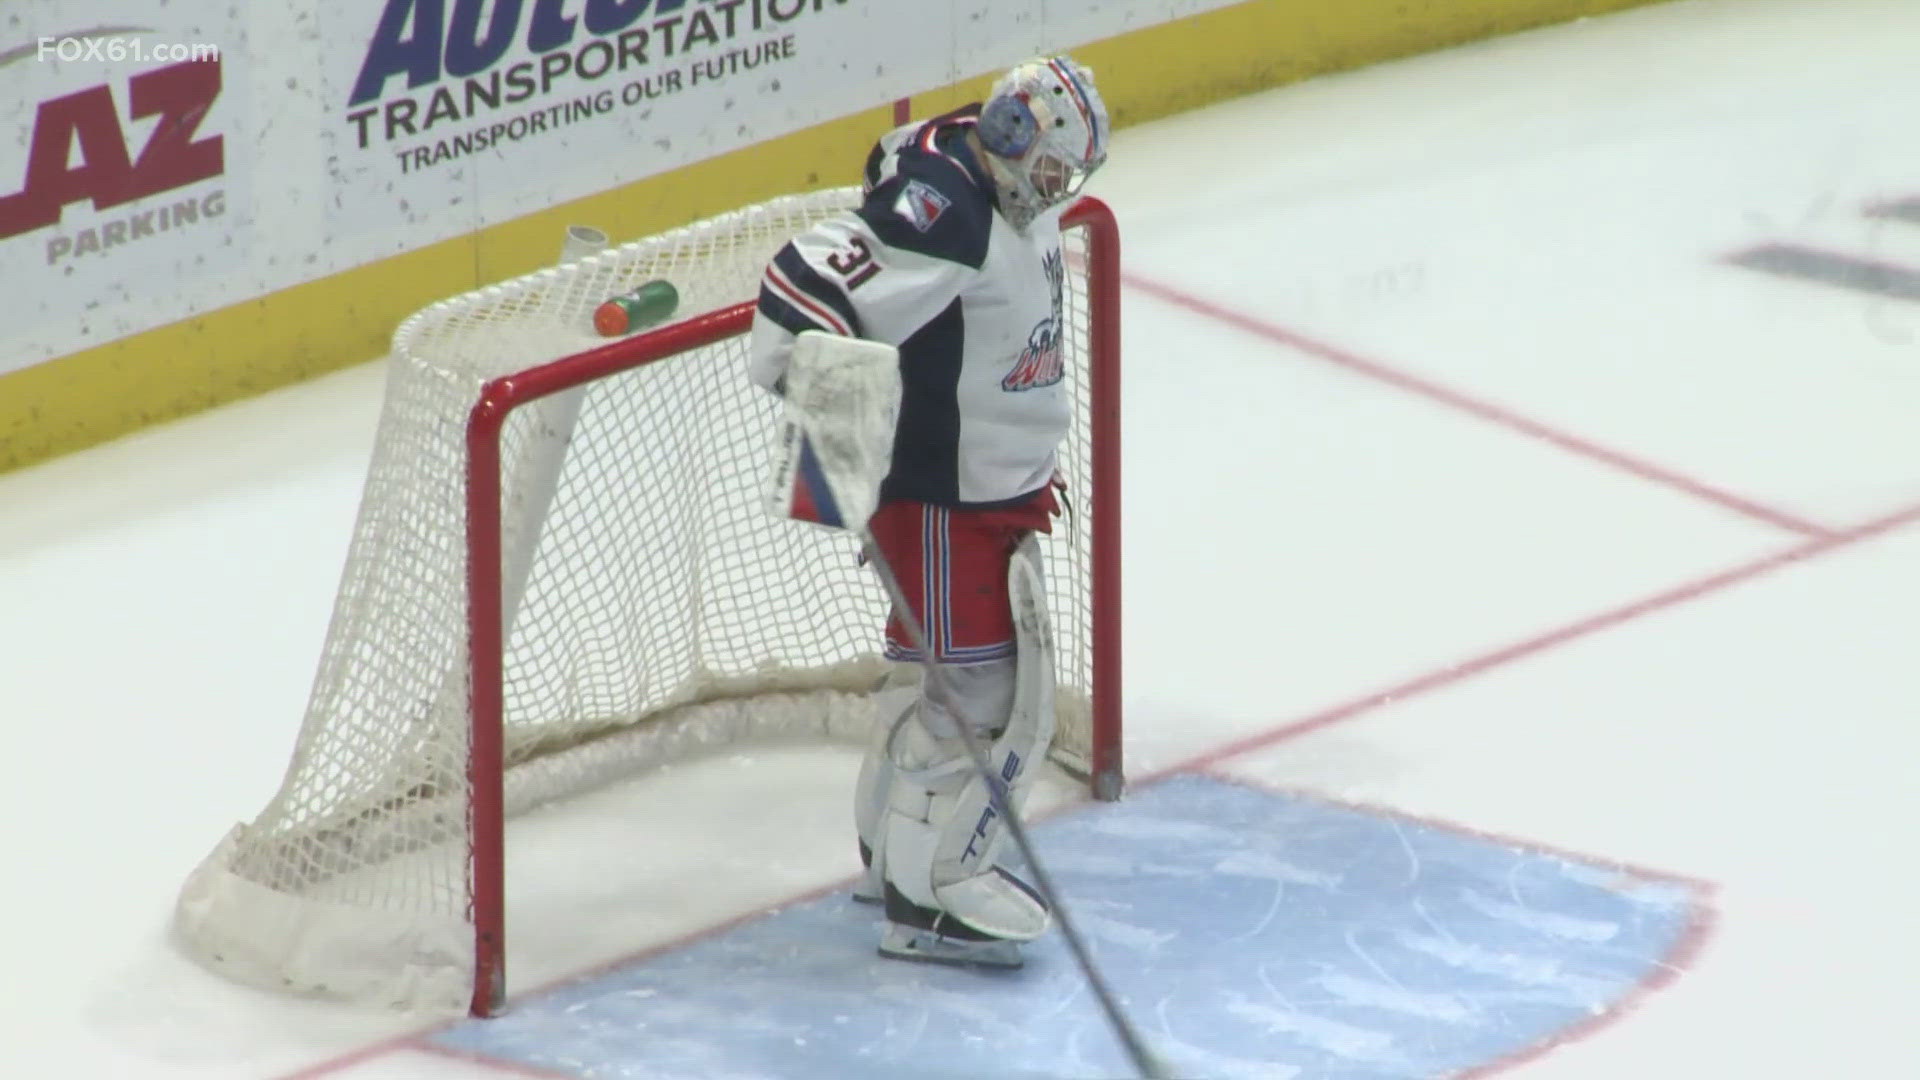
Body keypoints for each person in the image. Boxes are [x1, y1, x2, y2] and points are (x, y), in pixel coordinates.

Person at [746, 55, 1109, 967]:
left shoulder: (987, 174)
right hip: (948, 498)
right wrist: (829, 421)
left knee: (931, 685)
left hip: (989, 489)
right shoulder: (946, 208)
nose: (1055, 192)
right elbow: (798, 295)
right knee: (978, 696)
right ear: (1015, 137)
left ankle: (890, 855)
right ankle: (928, 895)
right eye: (1053, 173)